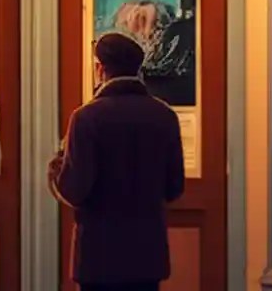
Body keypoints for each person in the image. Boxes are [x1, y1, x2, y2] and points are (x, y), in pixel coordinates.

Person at [49, 32, 186, 291]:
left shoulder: (86, 118)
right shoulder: (164, 116)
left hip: (98, 257)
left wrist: (57, 166)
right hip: (147, 256)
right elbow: (174, 187)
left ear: (100, 68)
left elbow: (75, 190)